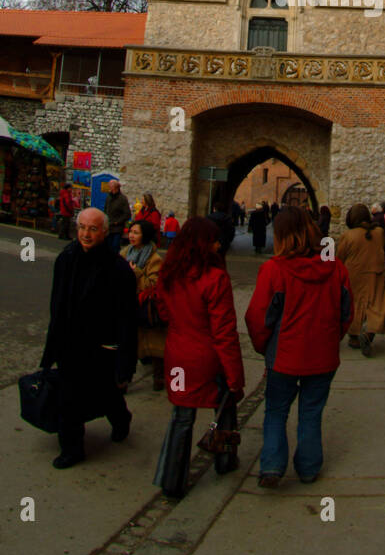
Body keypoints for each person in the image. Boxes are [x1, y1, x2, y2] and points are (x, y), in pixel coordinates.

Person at [245, 206, 353, 486]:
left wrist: (263, 347)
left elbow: (258, 317)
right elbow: (346, 313)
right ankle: (307, 468)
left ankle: (271, 465)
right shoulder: (336, 269)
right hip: (323, 356)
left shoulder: (274, 270)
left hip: (284, 356)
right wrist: (331, 340)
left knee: (276, 411)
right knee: (311, 412)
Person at [152, 218, 245, 499]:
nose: (219, 245)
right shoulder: (215, 278)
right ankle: (225, 459)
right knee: (225, 405)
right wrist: (235, 376)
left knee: (181, 416)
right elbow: (224, 332)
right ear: (204, 244)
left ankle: (171, 479)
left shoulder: (169, 273)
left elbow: (163, 313)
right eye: (215, 240)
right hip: (208, 358)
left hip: (178, 354)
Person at [39, 207, 137, 468]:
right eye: (82, 227)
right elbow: (56, 303)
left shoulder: (118, 269)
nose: (86, 233)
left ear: (104, 232)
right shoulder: (67, 259)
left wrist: (125, 361)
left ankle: (121, 418)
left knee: (106, 392)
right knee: (68, 397)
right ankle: (71, 449)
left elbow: (127, 318)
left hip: (102, 345)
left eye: (93, 229)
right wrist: (53, 343)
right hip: (70, 343)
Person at [337, 204, 385, 356]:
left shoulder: (349, 235)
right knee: (377, 306)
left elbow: (340, 256)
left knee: (354, 306)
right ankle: (369, 334)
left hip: (354, 275)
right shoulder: (379, 232)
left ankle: (354, 337)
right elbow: (383, 248)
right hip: (375, 274)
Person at [123, 222, 167, 390]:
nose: (131, 235)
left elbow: (153, 285)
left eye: (136, 232)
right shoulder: (126, 252)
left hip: (146, 307)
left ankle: (159, 377)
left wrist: (135, 273)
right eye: (131, 232)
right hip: (128, 305)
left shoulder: (155, 259)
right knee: (129, 344)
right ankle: (123, 379)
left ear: (145, 236)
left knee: (154, 346)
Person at [104, 179, 130, 255]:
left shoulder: (122, 199)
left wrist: (118, 222)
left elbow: (127, 214)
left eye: (110, 187)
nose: (109, 189)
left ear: (116, 188)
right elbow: (105, 209)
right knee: (108, 246)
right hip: (109, 227)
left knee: (115, 246)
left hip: (117, 228)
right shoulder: (108, 197)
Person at [207, 192, 236, 257]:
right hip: (224, 242)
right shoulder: (227, 218)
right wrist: (229, 240)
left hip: (212, 242)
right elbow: (231, 230)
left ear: (214, 209)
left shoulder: (209, 217)